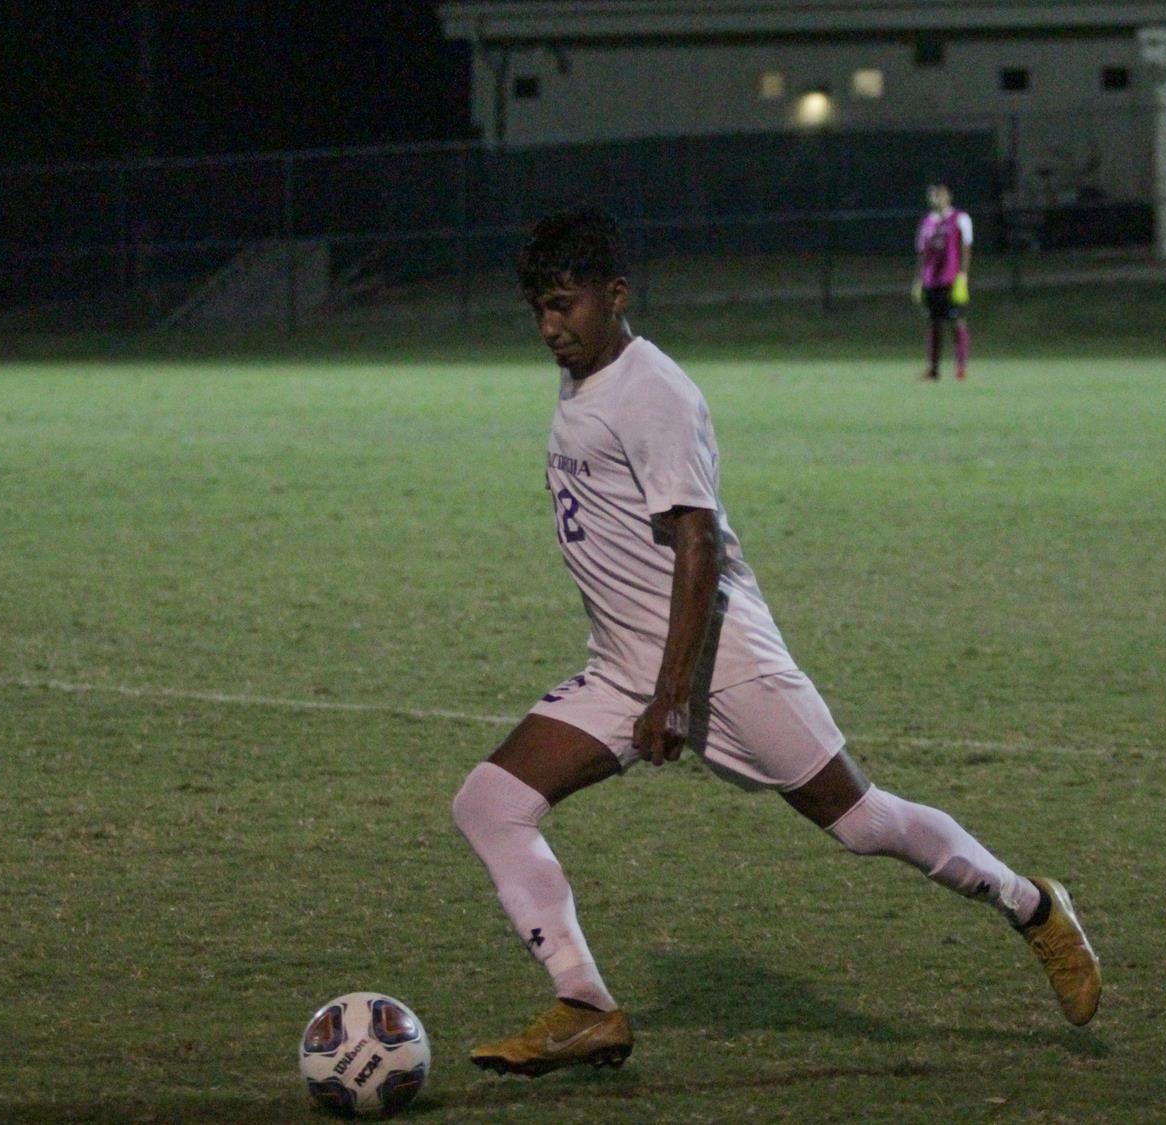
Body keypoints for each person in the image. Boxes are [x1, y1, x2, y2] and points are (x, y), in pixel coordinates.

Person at [454, 207, 1099, 1079]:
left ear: (615, 295)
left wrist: (673, 692)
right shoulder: (589, 378)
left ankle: (1031, 904)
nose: (549, 327)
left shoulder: (655, 391)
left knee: (864, 823)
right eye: (538, 309)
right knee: (490, 803)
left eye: (564, 305)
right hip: (624, 666)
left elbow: (698, 542)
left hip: (720, 665)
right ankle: (585, 1004)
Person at [914, 183, 973, 381]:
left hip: (951, 278)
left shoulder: (960, 218)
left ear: (948, 196)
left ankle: (961, 368)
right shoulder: (927, 222)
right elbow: (922, 252)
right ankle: (933, 369)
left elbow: (966, 247)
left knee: (957, 322)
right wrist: (919, 279)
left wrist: (963, 275)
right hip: (932, 280)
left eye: (939, 195)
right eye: (932, 196)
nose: (935, 199)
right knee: (933, 324)